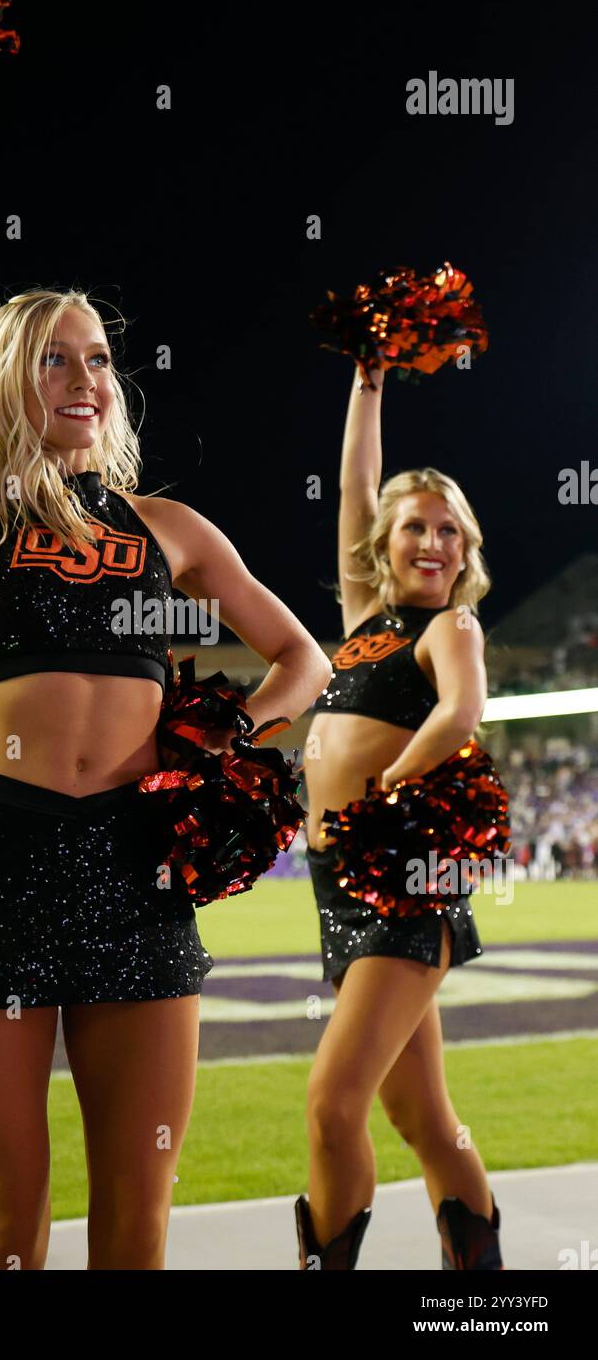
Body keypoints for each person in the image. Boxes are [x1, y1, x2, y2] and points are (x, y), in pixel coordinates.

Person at [0, 0, 332, 1271]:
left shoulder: (168, 522)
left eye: (100, 359)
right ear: (6, 374)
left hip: (139, 868)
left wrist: (215, 746)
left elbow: (307, 659)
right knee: (8, 1231)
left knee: (137, 1218)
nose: (85, 379)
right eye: (55, 359)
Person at [298, 362, 504, 1271]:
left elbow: (460, 715)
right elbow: (352, 486)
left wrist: (393, 785)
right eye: (414, 526)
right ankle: (483, 1289)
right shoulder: (362, 619)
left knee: (332, 1105)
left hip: (402, 890)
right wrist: (368, 381)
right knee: (422, 1117)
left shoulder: (450, 630)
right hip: (334, 891)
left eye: (447, 531)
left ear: (465, 551)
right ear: (387, 541)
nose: (431, 542)